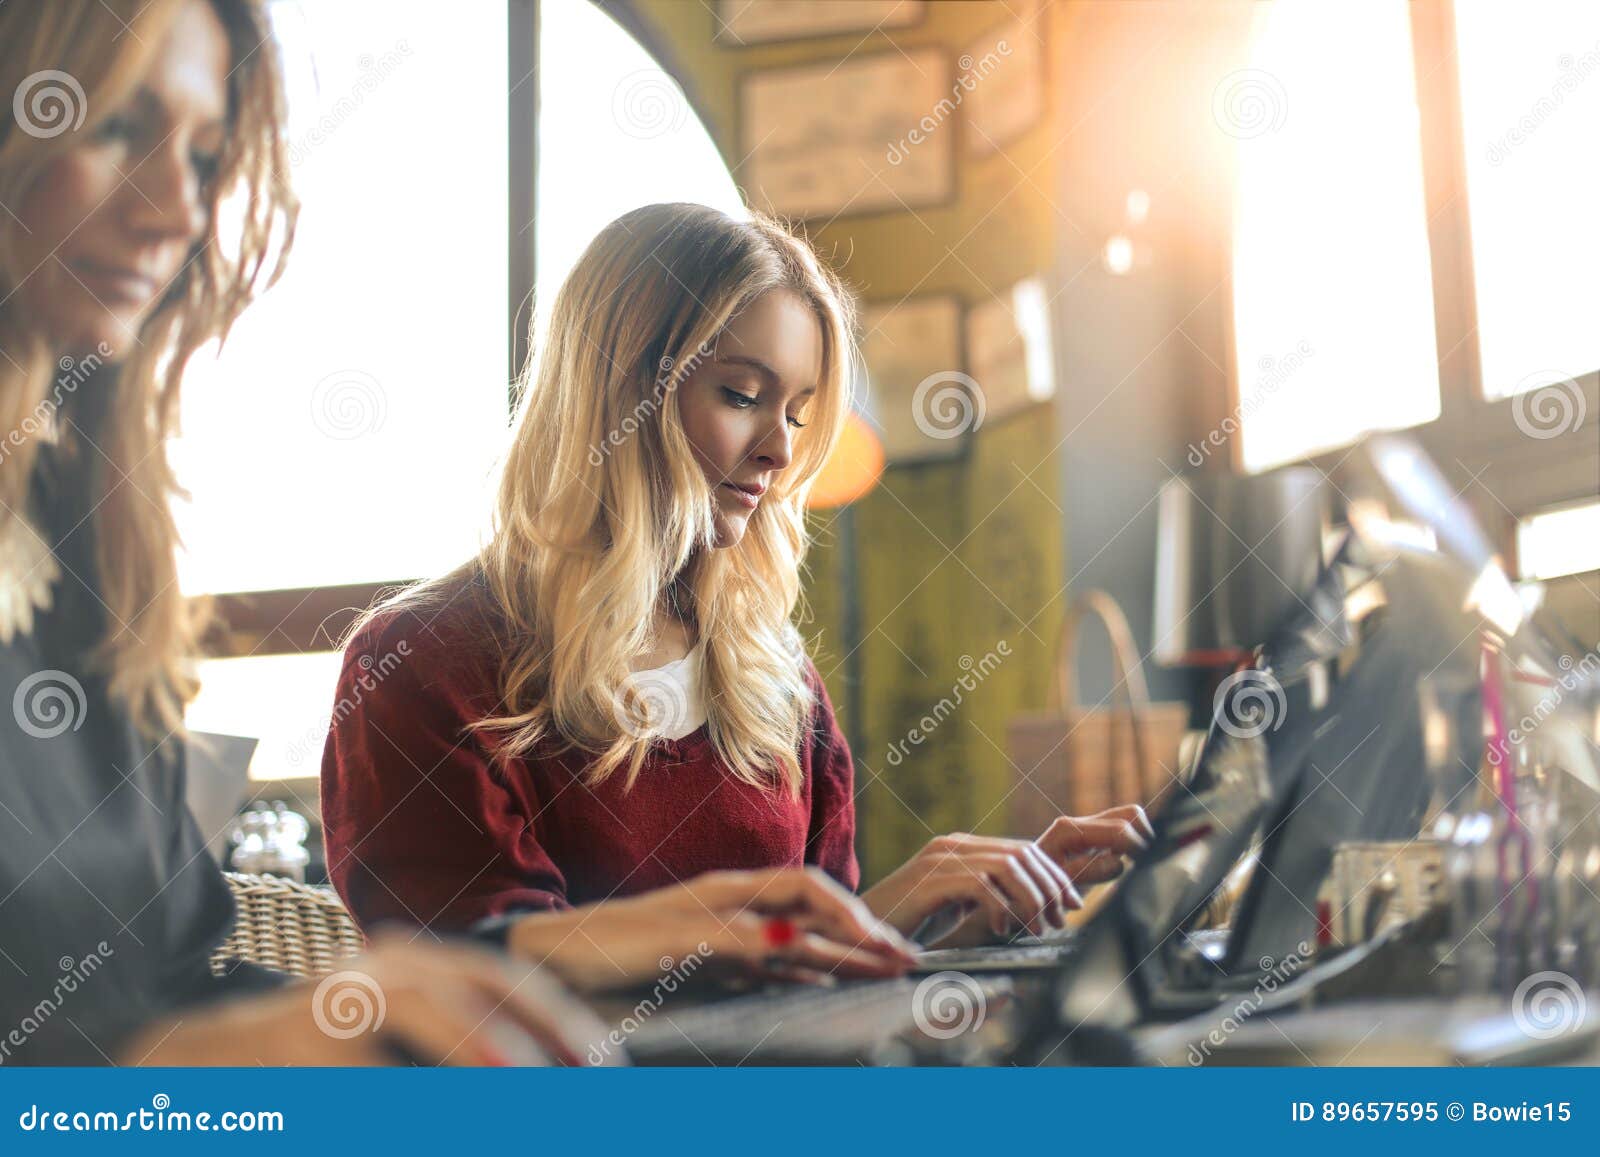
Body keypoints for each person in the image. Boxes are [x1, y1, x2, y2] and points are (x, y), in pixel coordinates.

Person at [0, 0, 892, 1067]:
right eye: (113, 125)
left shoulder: (90, 549)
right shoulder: (430, 660)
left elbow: (164, 980)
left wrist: (906, 918)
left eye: (202, 153)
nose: (178, 211)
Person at [320, 201, 1152, 992]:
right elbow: (493, 996)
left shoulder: (770, 671)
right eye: (742, 395)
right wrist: (866, 919)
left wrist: (966, 907)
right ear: (617, 392)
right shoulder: (423, 665)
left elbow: (807, 981)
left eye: (797, 411)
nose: (779, 450)